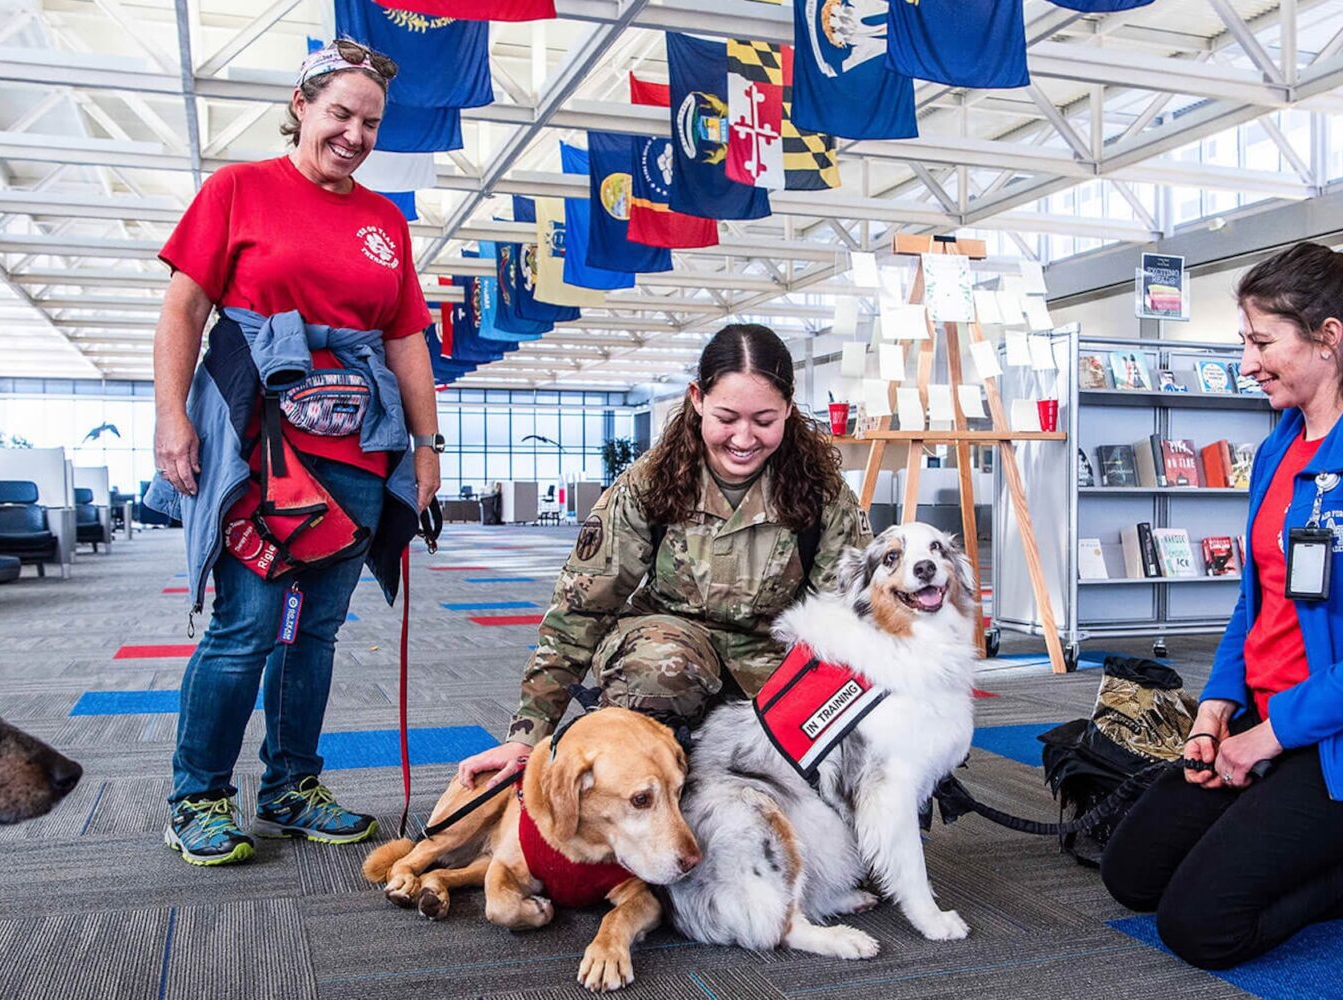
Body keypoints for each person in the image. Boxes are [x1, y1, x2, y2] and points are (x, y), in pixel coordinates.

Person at [1099, 241, 1343, 969]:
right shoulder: (1280, 445)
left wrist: (1268, 739)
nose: (1247, 362)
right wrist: (1217, 705)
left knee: (1201, 926)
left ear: (1328, 339)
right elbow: (1259, 597)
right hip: (1271, 717)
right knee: (1133, 875)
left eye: (1261, 341)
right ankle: (1292, 822)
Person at [145, 40, 443, 866]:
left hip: (355, 450)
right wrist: (174, 419)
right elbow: (183, 312)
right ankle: (196, 796)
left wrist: (426, 447)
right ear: (302, 104)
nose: (354, 133)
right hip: (258, 447)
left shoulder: (385, 221)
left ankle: (290, 786)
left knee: (317, 632)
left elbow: (407, 338)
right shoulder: (238, 189)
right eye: (341, 113)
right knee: (242, 627)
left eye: (371, 122)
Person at [455, 324, 874, 787]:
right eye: (727, 417)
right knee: (658, 667)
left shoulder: (823, 493)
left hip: (775, 664)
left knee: (849, 774)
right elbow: (581, 609)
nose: (743, 437)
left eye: (764, 420)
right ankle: (653, 776)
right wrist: (528, 733)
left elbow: (847, 621)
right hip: (672, 647)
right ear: (697, 398)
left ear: (789, 410)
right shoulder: (652, 482)